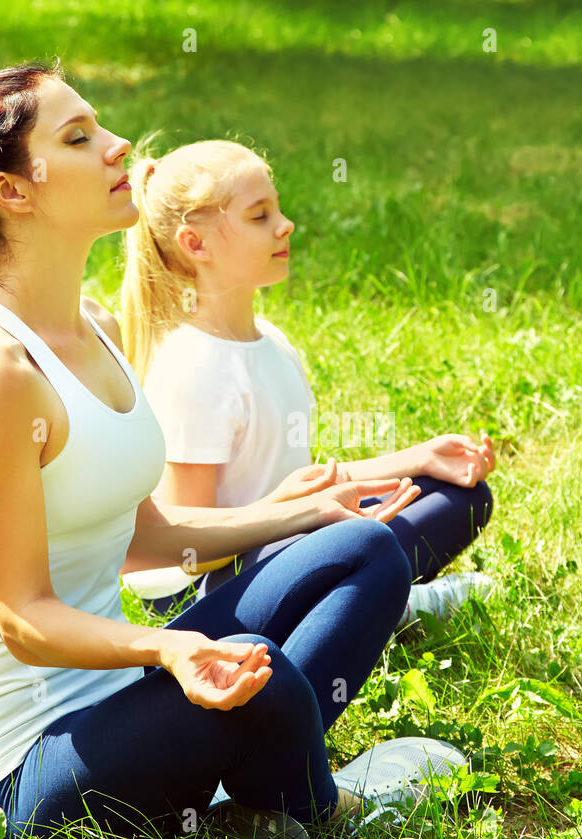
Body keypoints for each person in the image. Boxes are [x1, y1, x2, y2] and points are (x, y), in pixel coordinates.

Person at [0, 61, 436, 839]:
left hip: (120, 688)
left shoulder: (93, 327)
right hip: (19, 775)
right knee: (250, 662)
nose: (118, 148)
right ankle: (319, 805)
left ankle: (259, 784)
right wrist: (173, 645)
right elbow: (21, 619)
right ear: (13, 192)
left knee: (362, 549)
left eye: (101, 126)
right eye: (79, 137)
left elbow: (144, 535)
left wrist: (304, 512)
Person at [109, 137, 498, 623]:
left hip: (290, 536)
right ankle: (395, 604)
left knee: (460, 498)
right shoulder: (193, 369)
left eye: (277, 209)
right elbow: (185, 545)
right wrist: (306, 523)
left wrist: (420, 458)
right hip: (205, 585)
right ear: (196, 243)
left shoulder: (268, 341)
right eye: (260, 216)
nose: (285, 225)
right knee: (356, 543)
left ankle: (368, 592)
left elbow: (304, 483)